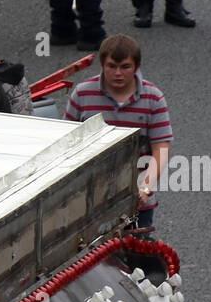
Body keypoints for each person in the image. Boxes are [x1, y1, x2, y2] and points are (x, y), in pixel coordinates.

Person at [63, 34, 171, 231]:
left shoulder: (153, 98)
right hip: (89, 202)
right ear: (103, 66)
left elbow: (161, 149)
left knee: (136, 256)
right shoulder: (82, 94)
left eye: (125, 67)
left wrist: (145, 189)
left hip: (136, 200)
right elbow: (66, 146)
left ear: (136, 67)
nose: (118, 73)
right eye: (112, 66)